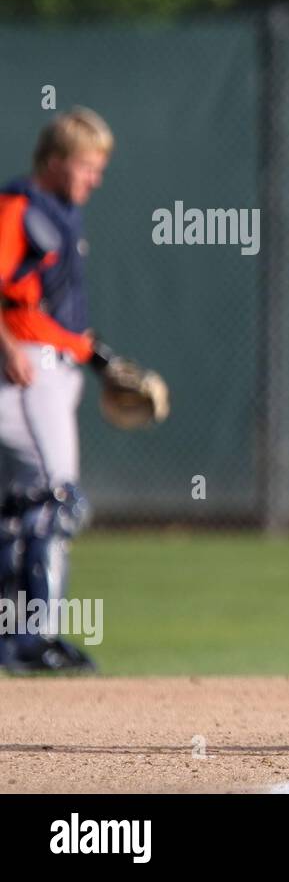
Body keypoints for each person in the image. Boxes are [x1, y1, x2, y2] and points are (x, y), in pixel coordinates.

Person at [0, 108, 113, 673]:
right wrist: (6, 345)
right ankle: (32, 638)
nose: (94, 178)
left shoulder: (60, 214)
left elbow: (47, 312)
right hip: (23, 370)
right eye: (87, 166)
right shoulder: (19, 208)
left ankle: (17, 638)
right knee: (56, 502)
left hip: (50, 364)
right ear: (55, 161)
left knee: (24, 509)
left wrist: (94, 356)